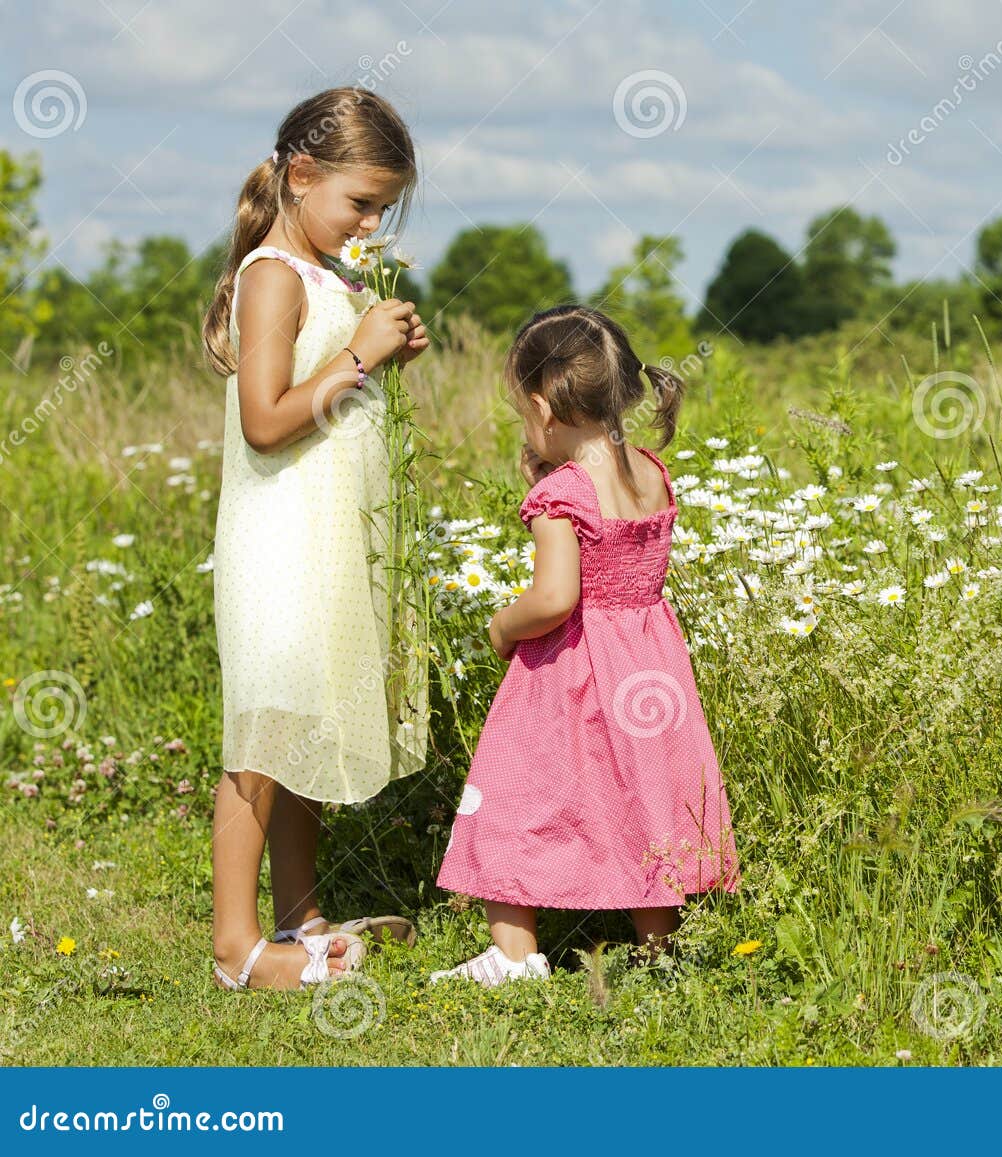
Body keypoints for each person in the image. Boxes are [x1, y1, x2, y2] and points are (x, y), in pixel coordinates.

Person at [431, 305, 741, 986]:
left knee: (516, 794)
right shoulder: (652, 473)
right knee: (644, 796)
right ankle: (660, 948)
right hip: (649, 665)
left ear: (543, 407)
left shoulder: (562, 492)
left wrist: (503, 626)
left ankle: (514, 955)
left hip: (570, 672)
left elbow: (555, 598)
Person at [204, 87, 430, 991]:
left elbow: (332, 395)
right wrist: (362, 355)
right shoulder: (272, 275)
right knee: (263, 733)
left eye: (383, 208)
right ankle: (235, 946)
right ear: (301, 177)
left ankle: (301, 916)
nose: (371, 222)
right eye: (361, 203)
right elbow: (266, 421)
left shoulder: (334, 277)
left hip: (326, 543)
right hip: (279, 542)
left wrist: (381, 349)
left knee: (303, 727)